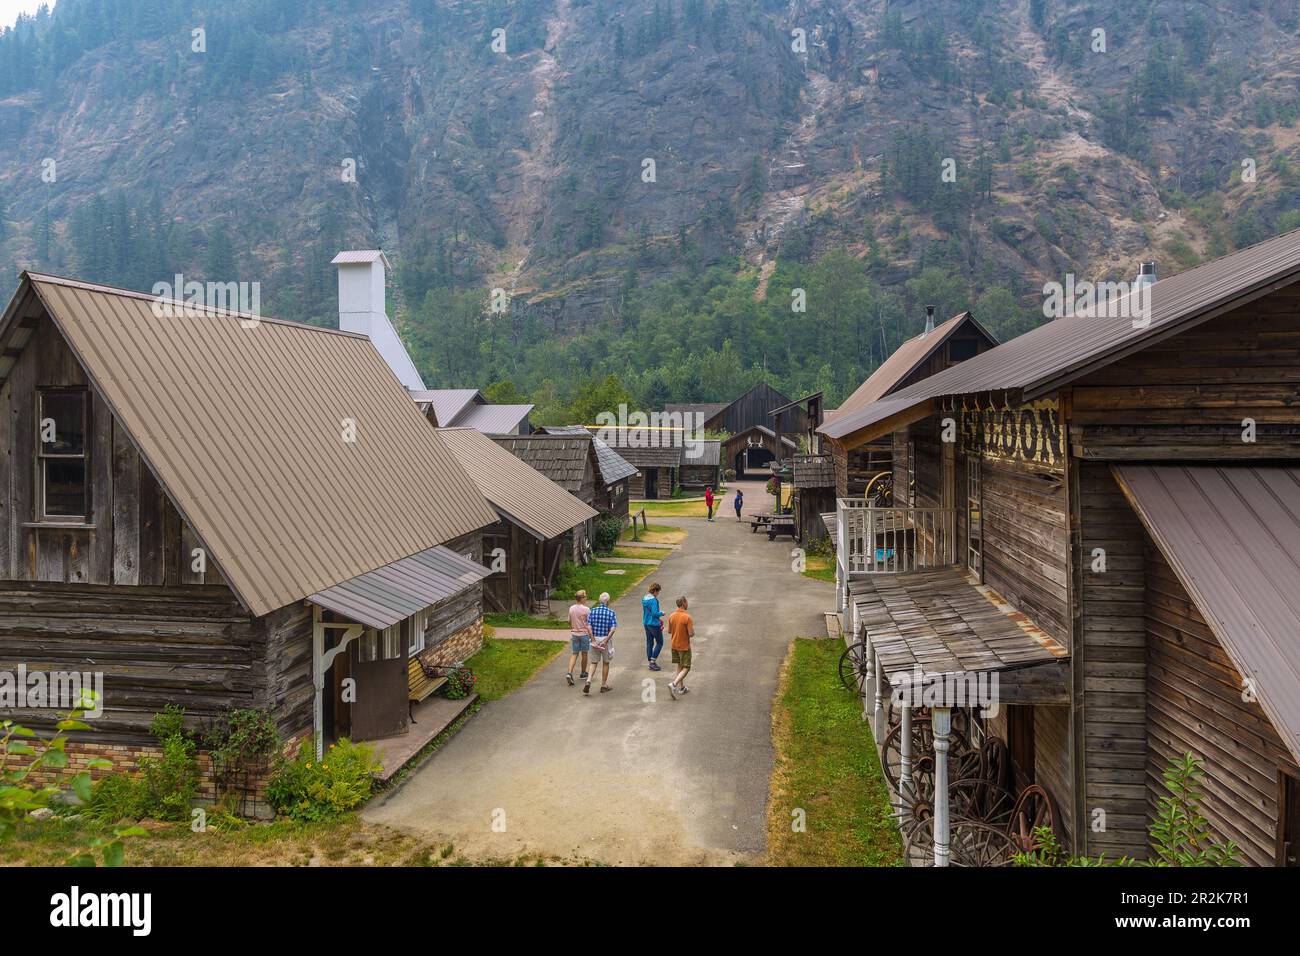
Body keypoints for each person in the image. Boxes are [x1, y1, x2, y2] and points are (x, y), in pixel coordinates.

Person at [585, 592, 618, 694]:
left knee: (594, 662)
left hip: (595, 639)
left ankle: (588, 680)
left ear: (599, 601)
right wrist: (606, 640)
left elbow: (589, 627)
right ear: (607, 601)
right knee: (606, 662)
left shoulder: (592, 611)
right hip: (605, 640)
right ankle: (603, 685)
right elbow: (613, 629)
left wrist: (593, 640)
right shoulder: (611, 612)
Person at [665, 595, 694, 700]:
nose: (688, 604)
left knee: (680, 665)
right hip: (684, 646)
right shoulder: (687, 617)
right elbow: (691, 634)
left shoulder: (671, 616)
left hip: (674, 645)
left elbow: (669, 631)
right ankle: (674, 684)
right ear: (683, 603)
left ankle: (681, 688)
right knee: (687, 667)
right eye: (687, 602)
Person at [566, 590, 592, 686]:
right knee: (584, 653)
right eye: (585, 597)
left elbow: (569, 620)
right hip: (584, 634)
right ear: (582, 598)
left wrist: (573, 627)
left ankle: (569, 673)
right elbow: (589, 623)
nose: (586, 598)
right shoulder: (586, 609)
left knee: (575, 653)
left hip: (575, 634)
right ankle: (583, 672)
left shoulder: (571, 608)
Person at [642, 582, 666, 671]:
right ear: (655, 591)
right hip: (654, 624)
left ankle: (650, 661)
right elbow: (655, 613)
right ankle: (653, 661)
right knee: (660, 642)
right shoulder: (654, 600)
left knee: (649, 642)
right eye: (658, 592)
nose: (658, 594)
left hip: (646, 623)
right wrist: (662, 613)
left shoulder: (644, 598)